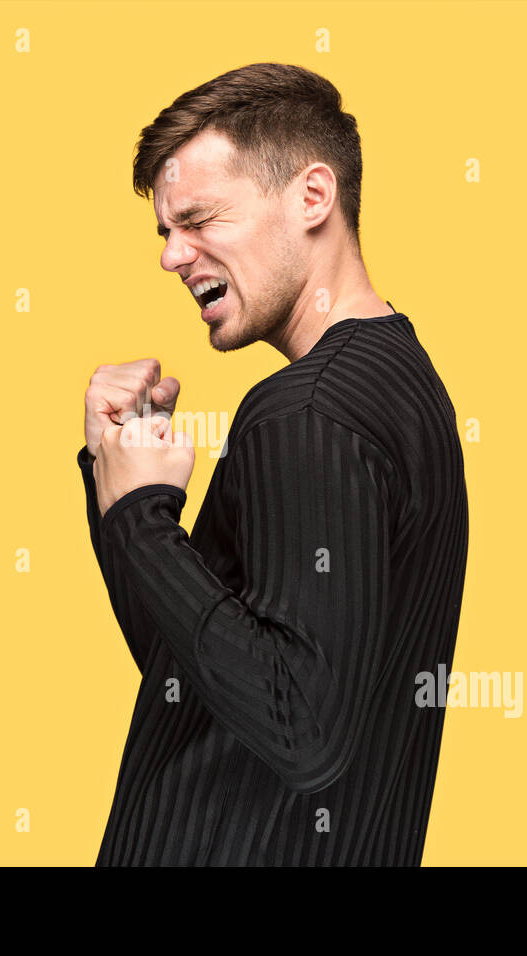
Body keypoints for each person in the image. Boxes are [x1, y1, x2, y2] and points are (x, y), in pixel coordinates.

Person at [78, 62, 469, 866]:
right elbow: (195, 679)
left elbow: (304, 732)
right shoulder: (399, 378)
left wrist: (147, 526)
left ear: (312, 198)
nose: (171, 257)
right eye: (164, 231)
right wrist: (115, 481)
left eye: (199, 219)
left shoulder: (305, 412)